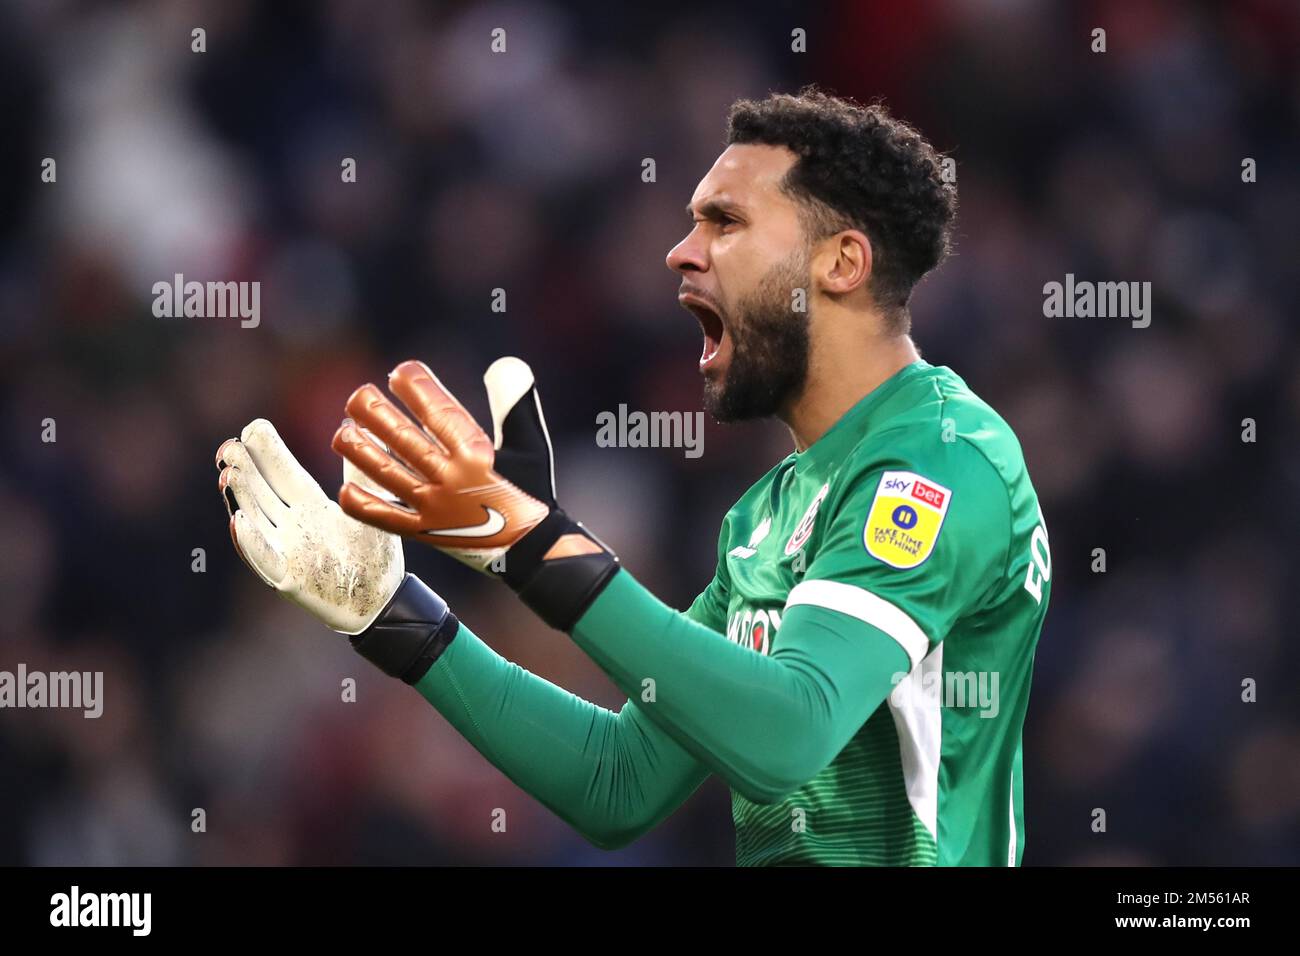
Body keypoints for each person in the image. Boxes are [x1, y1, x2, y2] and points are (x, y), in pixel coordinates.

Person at [216, 87, 1051, 866]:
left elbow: (788, 735)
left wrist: (535, 545)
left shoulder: (941, 461)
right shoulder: (767, 514)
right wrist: (395, 617)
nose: (681, 252)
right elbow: (619, 781)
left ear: (841, 263)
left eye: (725, 222)